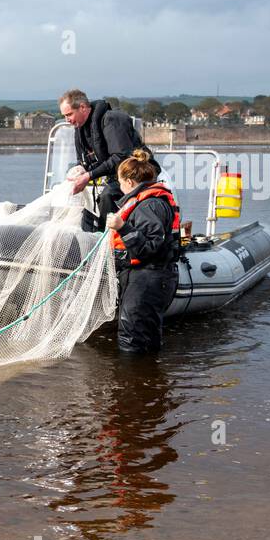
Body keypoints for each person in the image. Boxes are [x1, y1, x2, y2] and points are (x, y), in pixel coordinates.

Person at [105, 148, 180, 353]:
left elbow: (149, 248)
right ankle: (148, 379)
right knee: (144, 333)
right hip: (144, 276)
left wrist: (123, 227)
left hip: (150, 276)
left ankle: (134, 381)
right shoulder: (146, 202)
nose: (119, 187)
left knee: (133, 337)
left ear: (129, 182)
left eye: (120, 182)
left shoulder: (150, 205)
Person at [58, 89, 156, 231]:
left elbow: (121, 156)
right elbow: (86, 160)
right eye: (65, 116)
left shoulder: (112, 120)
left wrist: (89, 175)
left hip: (139, 173)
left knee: (107, 195)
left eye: (69, 114)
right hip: (117, 175)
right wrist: (80, 169)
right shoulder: (80, 128)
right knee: (82, 198)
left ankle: (109, 241)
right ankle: (89, 236)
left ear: (83, 108)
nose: (67, 120)